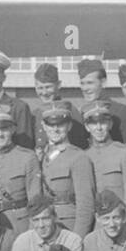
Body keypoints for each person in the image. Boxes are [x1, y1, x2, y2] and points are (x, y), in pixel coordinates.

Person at [0, 103, 44, 235]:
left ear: (13, 129)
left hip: (20, 223)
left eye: (5, 129)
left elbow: (35, 198)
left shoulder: (27, 157)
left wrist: (33, 231)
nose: (0, 134)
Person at [40, 100, 96, 238]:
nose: (55, 129)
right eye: (50, 124)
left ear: (69, 125)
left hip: (69, 226)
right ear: (44, 126)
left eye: (60, 124)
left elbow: (86, 204)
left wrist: (78, 237)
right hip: (46, 226)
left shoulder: (78, 157)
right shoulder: (42, 156)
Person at [82, 101, 126, 225]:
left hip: (121, 223)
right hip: (96, 225)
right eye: (93, 123)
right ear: (87, 127)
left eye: (103, 122)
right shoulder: (84, 156)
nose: (99, 128)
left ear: (110, 124)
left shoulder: (124, 152)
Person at [28, 62, 86, 153]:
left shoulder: (70, 111)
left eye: (48, 87)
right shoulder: (34, 114)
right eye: (40, 88)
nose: (44, 92)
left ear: (58, 85)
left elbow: (80, 144)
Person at [75, 57, 126, 143]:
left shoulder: (122, 112)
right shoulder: (80, 114)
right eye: (82, 83)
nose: (85, 88)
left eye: (90, 83)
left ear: (103, 82)